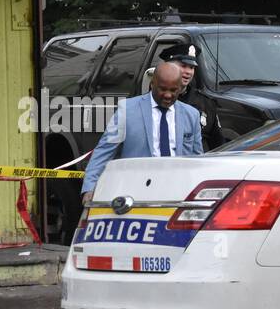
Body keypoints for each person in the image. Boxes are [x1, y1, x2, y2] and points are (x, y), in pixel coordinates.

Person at [81, 61, 202, 204]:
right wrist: (90, 187)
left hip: (178, 192)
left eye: (174, 90)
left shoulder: (191, 115)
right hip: (137, 193)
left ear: (180, 89)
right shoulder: (127, 110)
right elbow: (105, 150)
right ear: (152, 84)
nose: (168, 95)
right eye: (163, 89)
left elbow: (197, 158)